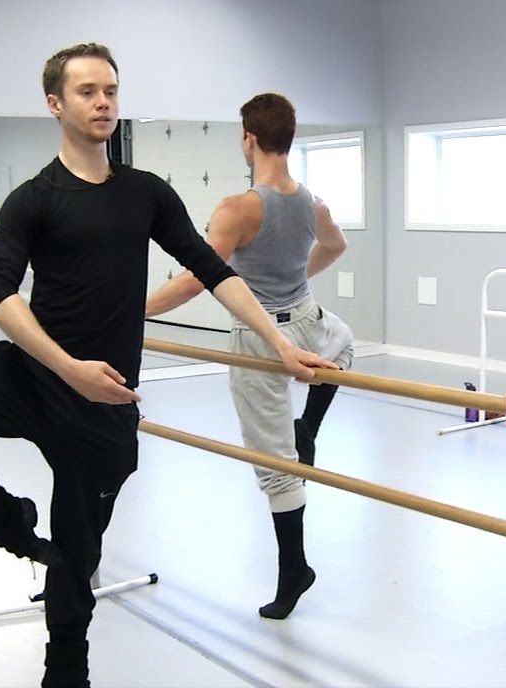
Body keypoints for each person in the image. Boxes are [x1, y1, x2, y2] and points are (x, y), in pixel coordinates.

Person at [0, 43, 337, 688]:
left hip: (104, 404)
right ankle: (9, 521)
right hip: (34, 376)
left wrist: (281, 346)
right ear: (55, 103)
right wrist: (69, 367)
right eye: (87, 91)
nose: (103, 102)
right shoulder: (33, 199)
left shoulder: (145, 193)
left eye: (111, 91)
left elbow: (213, 271)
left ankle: (66, 673)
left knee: (75, 560)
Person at [145, 92, 353, 619]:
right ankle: (308, 428)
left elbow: (197, 280)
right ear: (290, 139)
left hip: (258, 338)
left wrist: (135, 309)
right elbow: (336, 247)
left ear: (250, 139)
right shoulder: (313, 203)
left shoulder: (237, 208)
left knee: (276, 466)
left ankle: (294, 570)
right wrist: (297, 276)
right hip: (307, 320)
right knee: (343, 344)